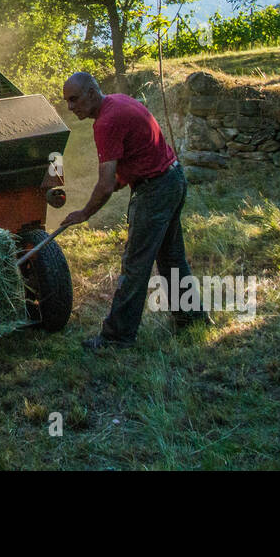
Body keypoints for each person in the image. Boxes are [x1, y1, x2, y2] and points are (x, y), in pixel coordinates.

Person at [59, 71, 208, 349]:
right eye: (67, 101)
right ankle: (192, 318)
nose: (70, 107)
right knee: (172, 257)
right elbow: (129, 161)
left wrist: (84, 213)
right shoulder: (119, 101)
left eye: (74, 99)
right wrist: (115, 184)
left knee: (135, 265)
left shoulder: (106, 122)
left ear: (92, 93)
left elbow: (105, 185)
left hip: (155, 189)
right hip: (173, 178)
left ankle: (117, 337)